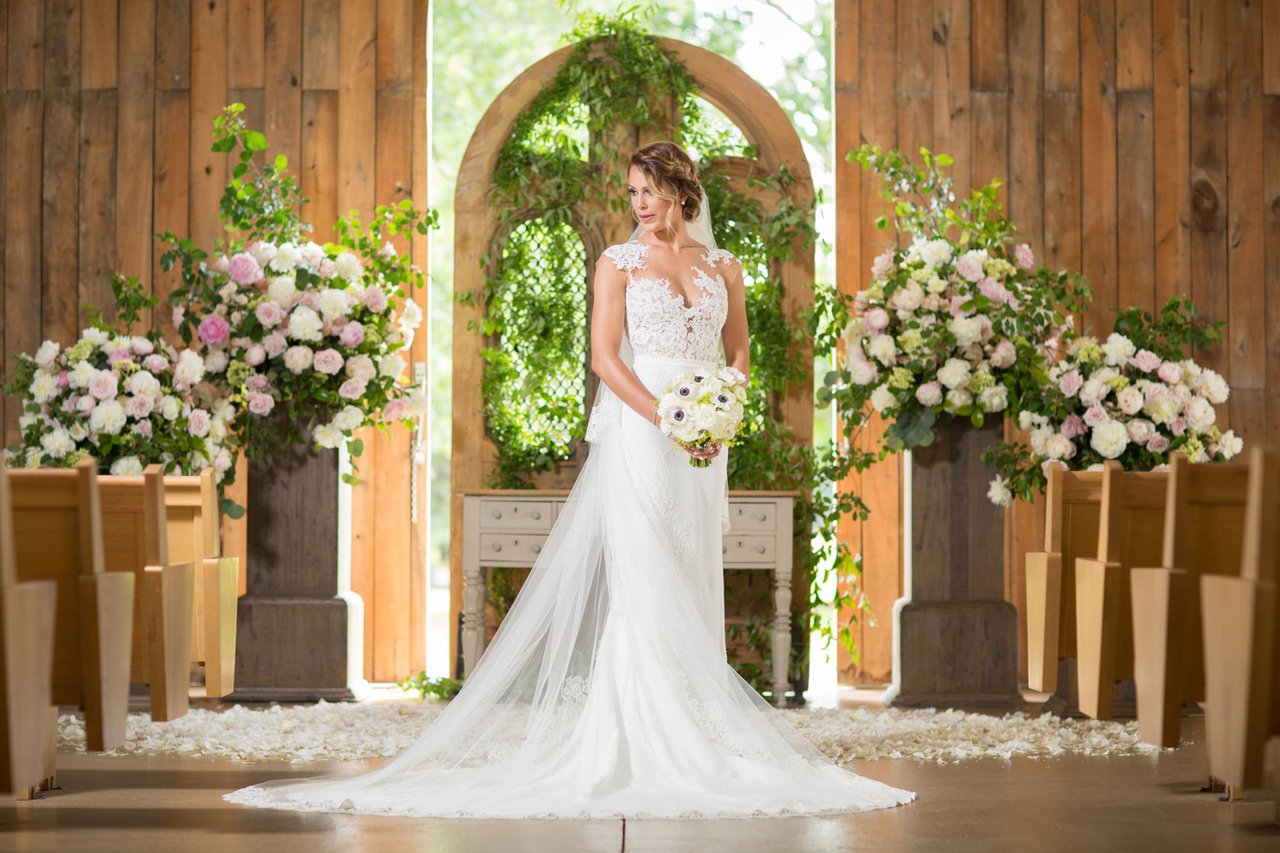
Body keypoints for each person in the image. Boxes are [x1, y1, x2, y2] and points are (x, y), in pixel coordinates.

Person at [225, 141, 915, 818]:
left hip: (705, 434)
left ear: (680, 189)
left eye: (649, 190)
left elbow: (737, 350)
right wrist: (667, 416)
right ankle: (636, 740)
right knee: (646, 574)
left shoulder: (724, 266)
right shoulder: (617, 264)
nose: (639, 204)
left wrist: (720, 408)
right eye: (632, 193)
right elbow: (606, 357)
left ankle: (695, 733)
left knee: (692, 566)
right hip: (644, 431)